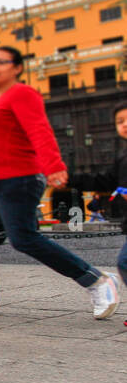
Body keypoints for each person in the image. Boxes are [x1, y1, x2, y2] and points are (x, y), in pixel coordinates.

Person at [0, 46, 119, 319]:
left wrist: (54, 167)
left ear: (17, 68)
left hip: (18, 177)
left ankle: (96, 279)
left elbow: (39, 130)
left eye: (0, 62)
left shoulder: (22, 94)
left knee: (23, 239)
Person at [67, 102, 127, 296]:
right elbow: (104, 181)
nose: (124, 124)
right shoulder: (123, 157)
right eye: (120, 121)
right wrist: (71, 180)